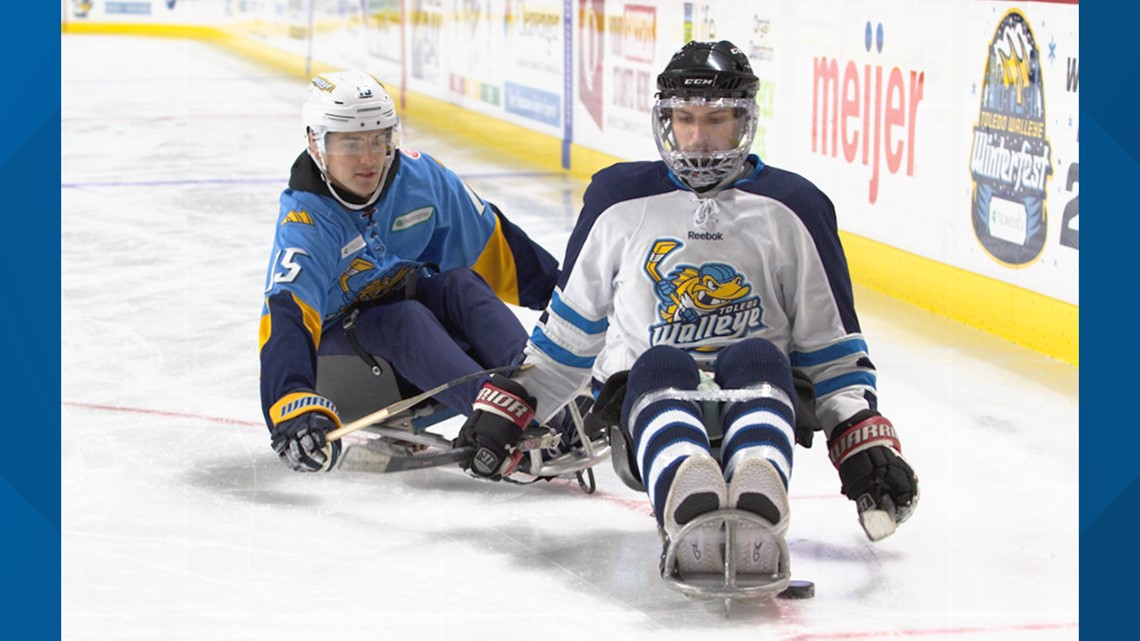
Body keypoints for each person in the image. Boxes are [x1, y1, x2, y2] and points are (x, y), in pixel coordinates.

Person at [458, 41, 919, 581]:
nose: (698, 137)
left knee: (757, 357)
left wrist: (859, 435)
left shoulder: (796, 208)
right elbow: (567, 338)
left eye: (716, 119)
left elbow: (831, 351)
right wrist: (513, 405)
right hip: (645, 411)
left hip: (757, 397)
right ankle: (686, 494)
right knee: (659, 364)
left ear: (743, 122)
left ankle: (755, 502)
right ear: (665, 120)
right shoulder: (617, 200)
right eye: (684, 118)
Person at [260, 70, 559, 474]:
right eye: (350, 143)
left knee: (460, 283)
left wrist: (571, 309)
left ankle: (549, 398)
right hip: (345, 370)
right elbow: (288, 317)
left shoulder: (420, 179)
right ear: (316, 144)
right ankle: (501, 423)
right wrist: (291, 403)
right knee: (406, 317)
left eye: (378, 140)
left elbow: (495, 244)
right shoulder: (307, 224)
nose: (368, 160)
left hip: (412, 350)